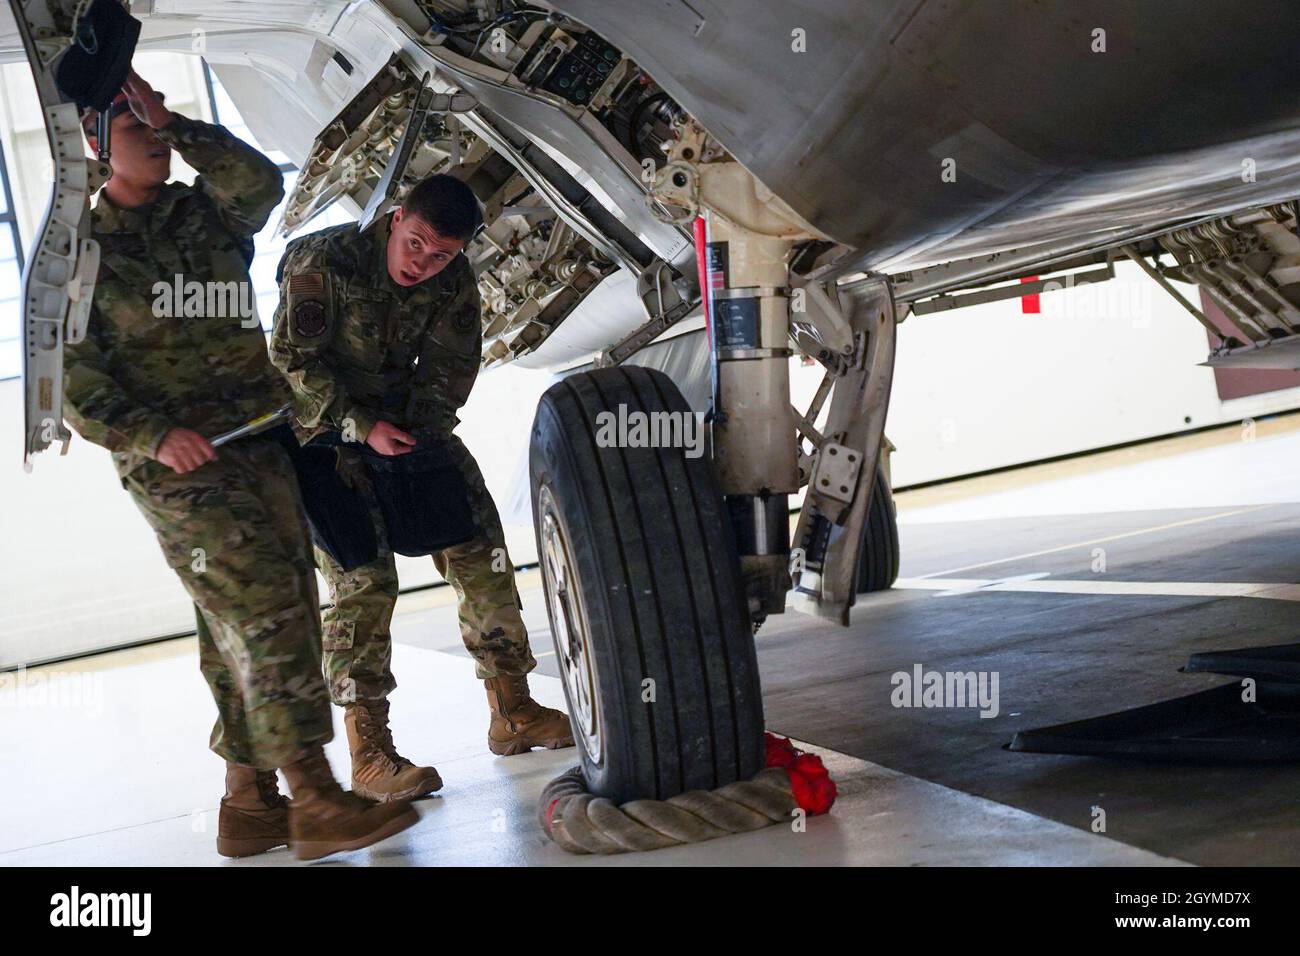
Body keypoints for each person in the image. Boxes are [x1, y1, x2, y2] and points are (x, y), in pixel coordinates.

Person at [63, 69, 418, 860]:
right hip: (179, 471)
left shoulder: (203, 215)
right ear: (93, 145)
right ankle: (317, 798)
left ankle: (247, 802)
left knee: (251, 617)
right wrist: (153, 436)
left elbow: (258, 183)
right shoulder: (79, 256)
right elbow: (73, 386)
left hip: (260, 438)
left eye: (149, 125)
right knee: (265, 613)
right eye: (130, 127)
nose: (149, 138)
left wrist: (178, 122)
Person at [269, 173, 574, 803]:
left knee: (483, 556)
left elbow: (449, 369)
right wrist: (359, 426)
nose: (424, 264)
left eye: (442, 255)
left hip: (407, 431)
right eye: (416, 244)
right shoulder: (323, 259)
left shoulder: (453, 278)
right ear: (396, 217)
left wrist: (418, 438)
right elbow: (292, 363)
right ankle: (369, 752)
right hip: (321, 436)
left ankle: (513, 710)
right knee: (364, 583)